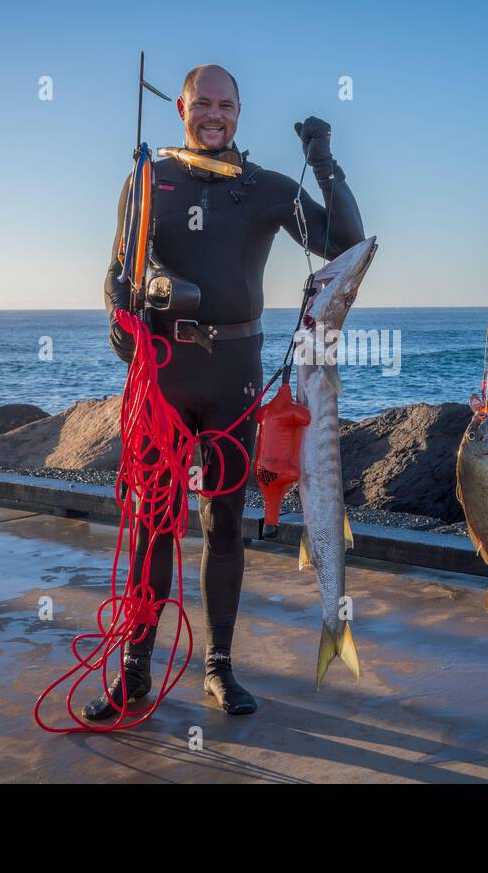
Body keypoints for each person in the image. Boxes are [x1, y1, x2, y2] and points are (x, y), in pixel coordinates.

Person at [87, 64, 366, 718]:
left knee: (224, 523)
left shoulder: (265, 187)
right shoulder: (150, 180)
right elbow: (117, 269)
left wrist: (324, 162)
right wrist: (117, 320)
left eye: (226, 105)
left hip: (236, 375)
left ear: (239, 112)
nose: (215, 114)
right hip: (163, 375)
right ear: (181, 107)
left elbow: (344, 242)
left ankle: (219, 667)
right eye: (203, 103)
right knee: (153, 525)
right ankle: (135, 673)